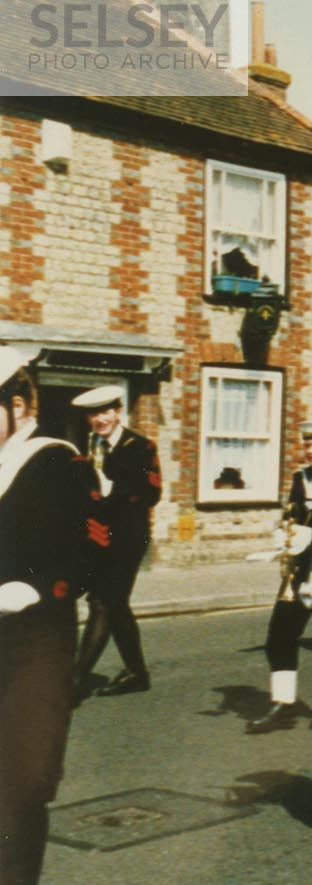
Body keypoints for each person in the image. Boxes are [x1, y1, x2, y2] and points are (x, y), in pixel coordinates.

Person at [0, 348, 89, 885]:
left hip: (35, 640)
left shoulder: (56, 460)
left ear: (15, 405)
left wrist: (36, 590)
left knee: (19, 782)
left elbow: (90, 552)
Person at [246, 422, 312, 733]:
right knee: (279, 636)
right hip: (300, 571)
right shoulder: (300, 478)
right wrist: (283, 533)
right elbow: (293, 515)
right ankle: (283, 704)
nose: (311, 451)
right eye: (308, 445)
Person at [71, 384, 161, 702]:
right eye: (93, 414)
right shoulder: (85, 447)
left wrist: (114, 490)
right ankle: (137, 673)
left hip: (128, 537)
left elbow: (152, 493)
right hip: (97, 537)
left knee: (103, 602)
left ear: (118, 411)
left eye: (105, 411)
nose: (99, 419)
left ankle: (74, 683)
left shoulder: (141, 446)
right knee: (117, 604)